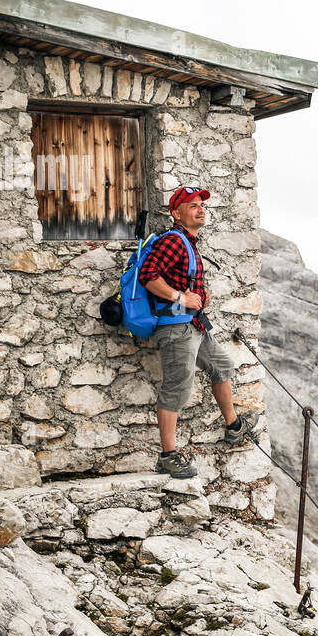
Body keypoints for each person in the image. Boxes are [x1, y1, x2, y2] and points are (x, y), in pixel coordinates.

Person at [138, 185, 259, 479]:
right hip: (176, 327)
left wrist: (195, 300)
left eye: (201, 204)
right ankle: (168, 456)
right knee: (177, 388)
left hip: (194, 324)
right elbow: (147, 276)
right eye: (192, 205)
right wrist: (180, 298)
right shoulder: (173, 242)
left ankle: (233, 426)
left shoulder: (189, 242)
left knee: (222, 365)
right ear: (176, 213)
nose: (200, 208)